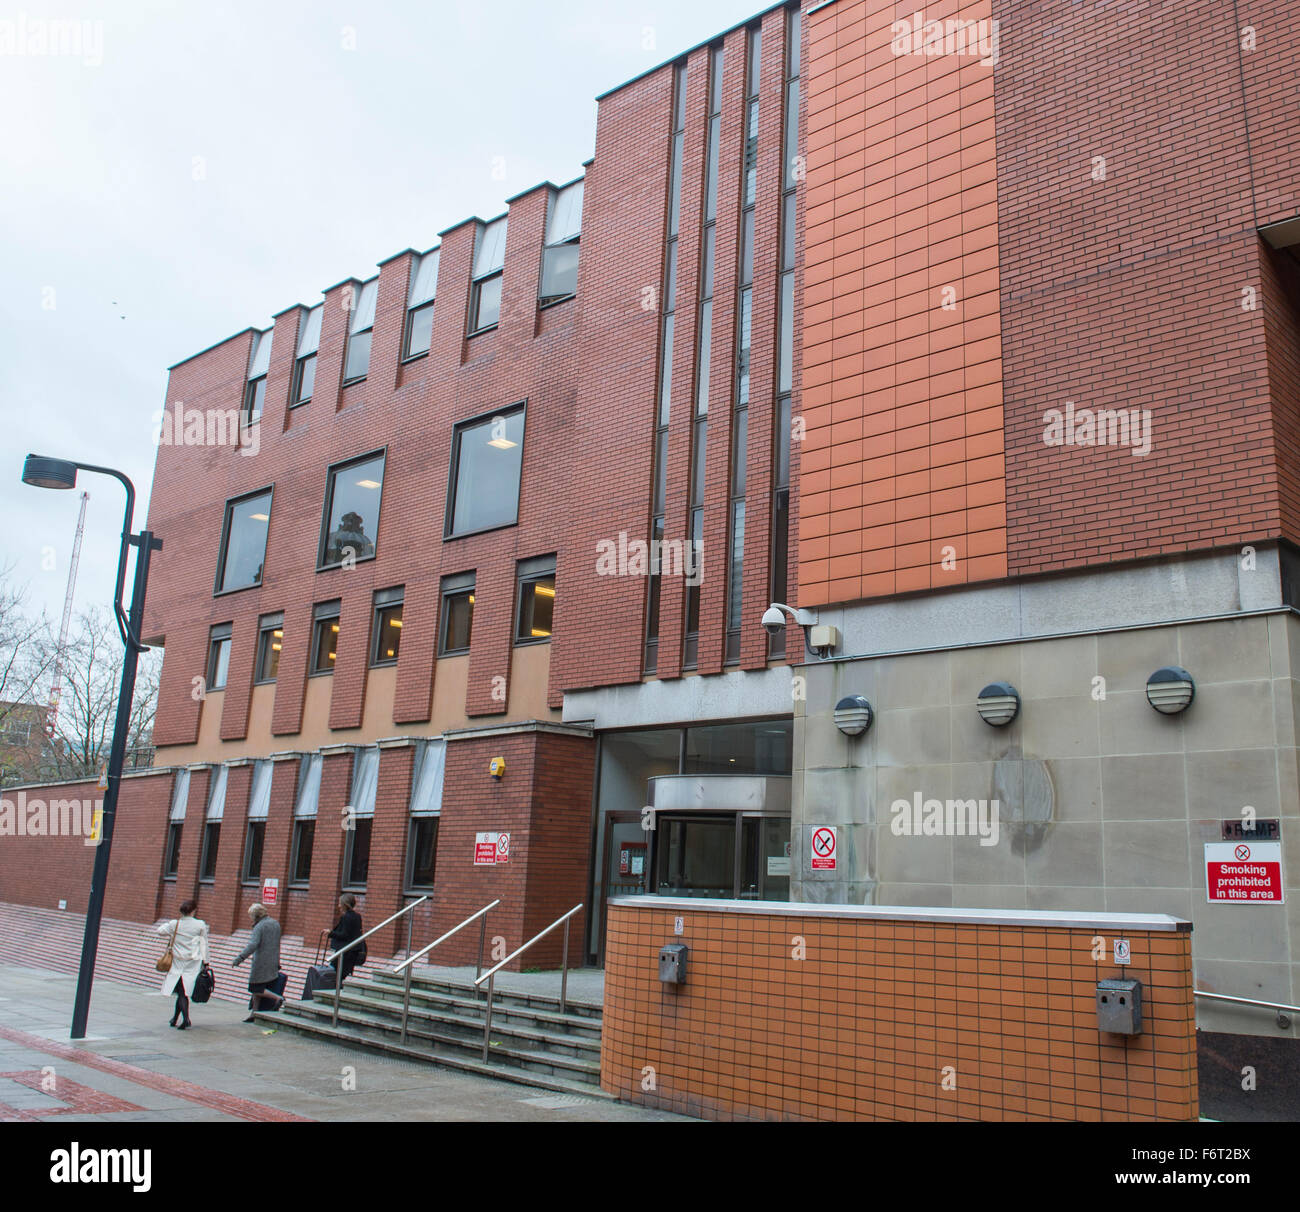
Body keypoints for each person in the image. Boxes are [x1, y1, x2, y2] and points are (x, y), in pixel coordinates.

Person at [156, 900, 208, 1030]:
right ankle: (176, 1019)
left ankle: (185, 1019)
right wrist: (206, 961)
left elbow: (160, 931)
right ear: (193, 911)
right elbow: (204, 944)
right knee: (183, 992)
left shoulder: (175, 924)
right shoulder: (200, 924)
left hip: (178, 960)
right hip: (193, 961)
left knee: (181, 991)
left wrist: (172, 929)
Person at [232, 903, 284, 1022]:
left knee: (255, 988)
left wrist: (239, 958)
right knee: (259, 987)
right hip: (273, 961)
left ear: (255, 916)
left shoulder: (259, 926)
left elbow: (253, 945)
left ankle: (278, 998)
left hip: (261, 962)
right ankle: (254, 1013)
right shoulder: (275, 923)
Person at [327, 893, 364, 984]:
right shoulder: (357, 916)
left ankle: (335, 994)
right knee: (340, 975)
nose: (339, 906)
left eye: (340, 903)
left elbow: (344, 935)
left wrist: (330, 933)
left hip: (345, 951)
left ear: (344, 904)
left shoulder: (346, 917)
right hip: (352, 951)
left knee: (334, 974)